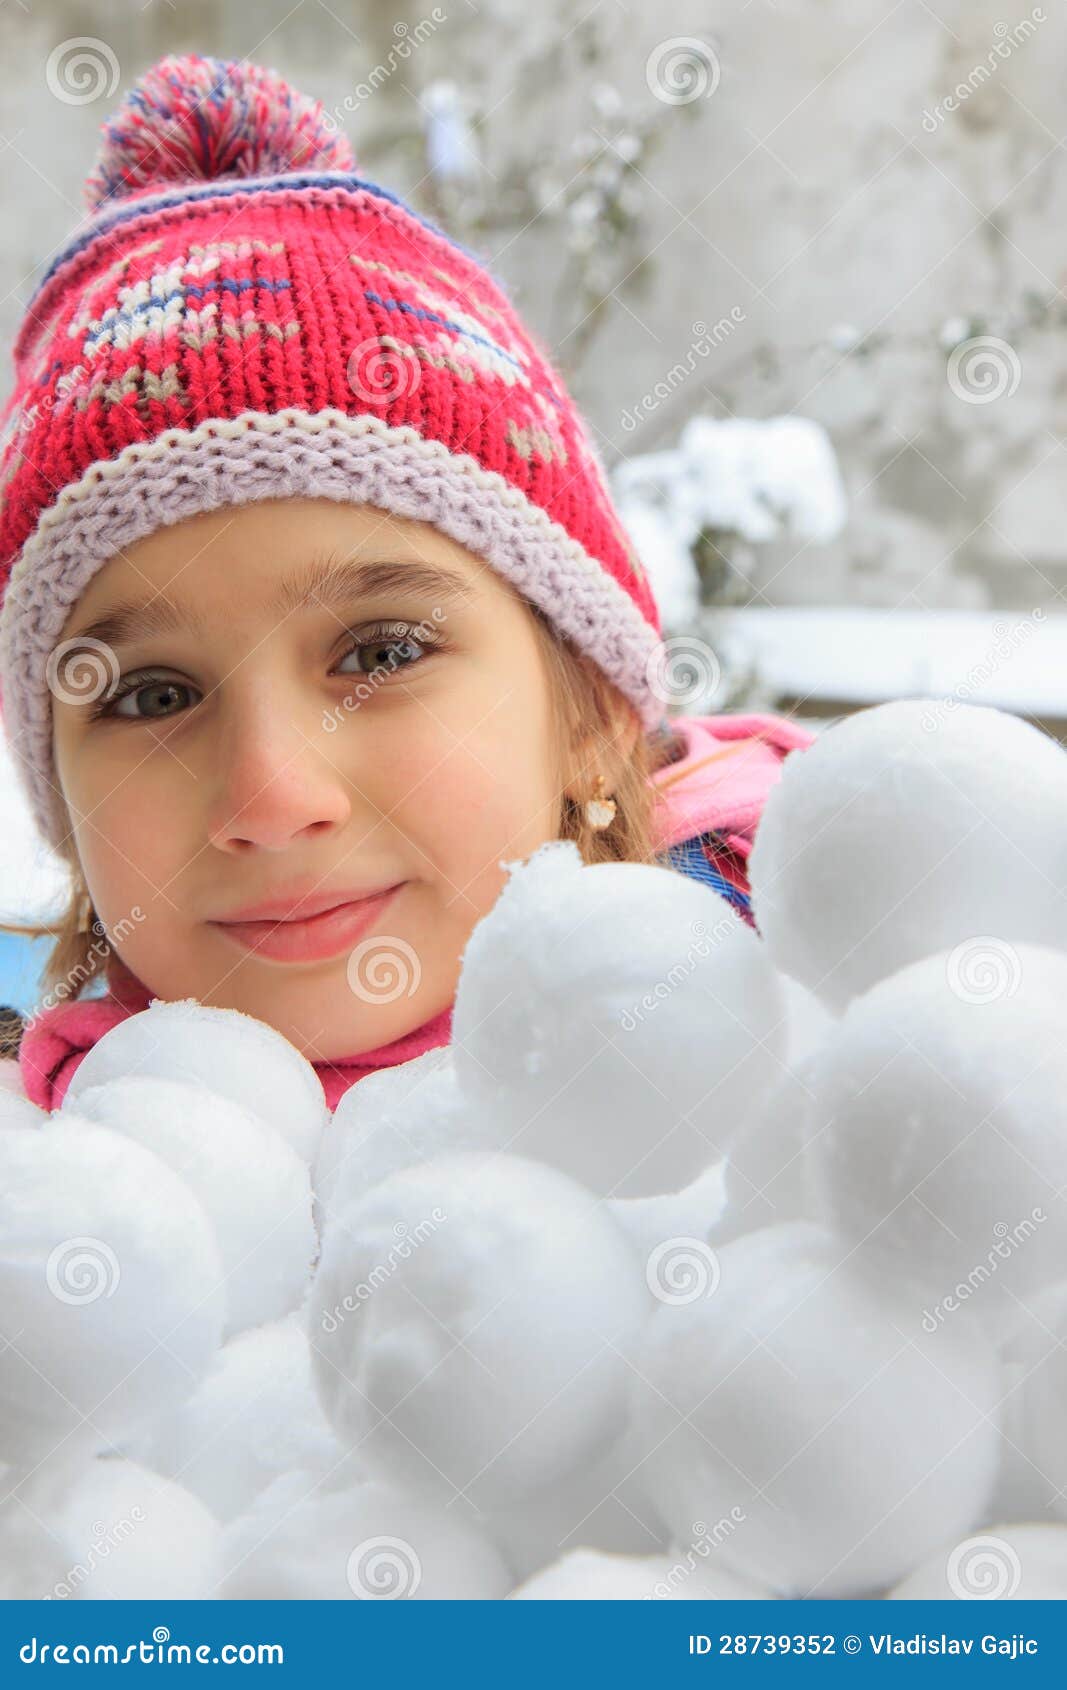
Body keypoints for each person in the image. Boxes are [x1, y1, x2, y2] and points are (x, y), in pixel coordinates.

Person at [0, 54, 814, 1111]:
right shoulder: (61, 1190)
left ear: (589, 712)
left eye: (382, 651)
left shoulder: (819, 1008)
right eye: (153, 694)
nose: (272, 797)